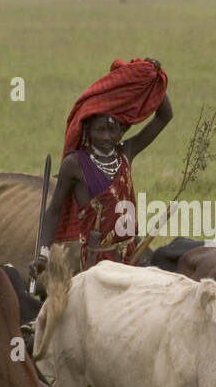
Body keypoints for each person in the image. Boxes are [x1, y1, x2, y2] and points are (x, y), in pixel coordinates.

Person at [31, 58, 173, 279]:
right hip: (96, 267)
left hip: (132, 261)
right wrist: (42, 255)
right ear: (86, 130)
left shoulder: (126, 152)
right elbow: (54, 210)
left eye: (113, 130)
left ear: (122, 130)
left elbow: (165, 116)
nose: (107, 137)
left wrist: (151, 78)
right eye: (100, 130)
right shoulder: (75, 164)